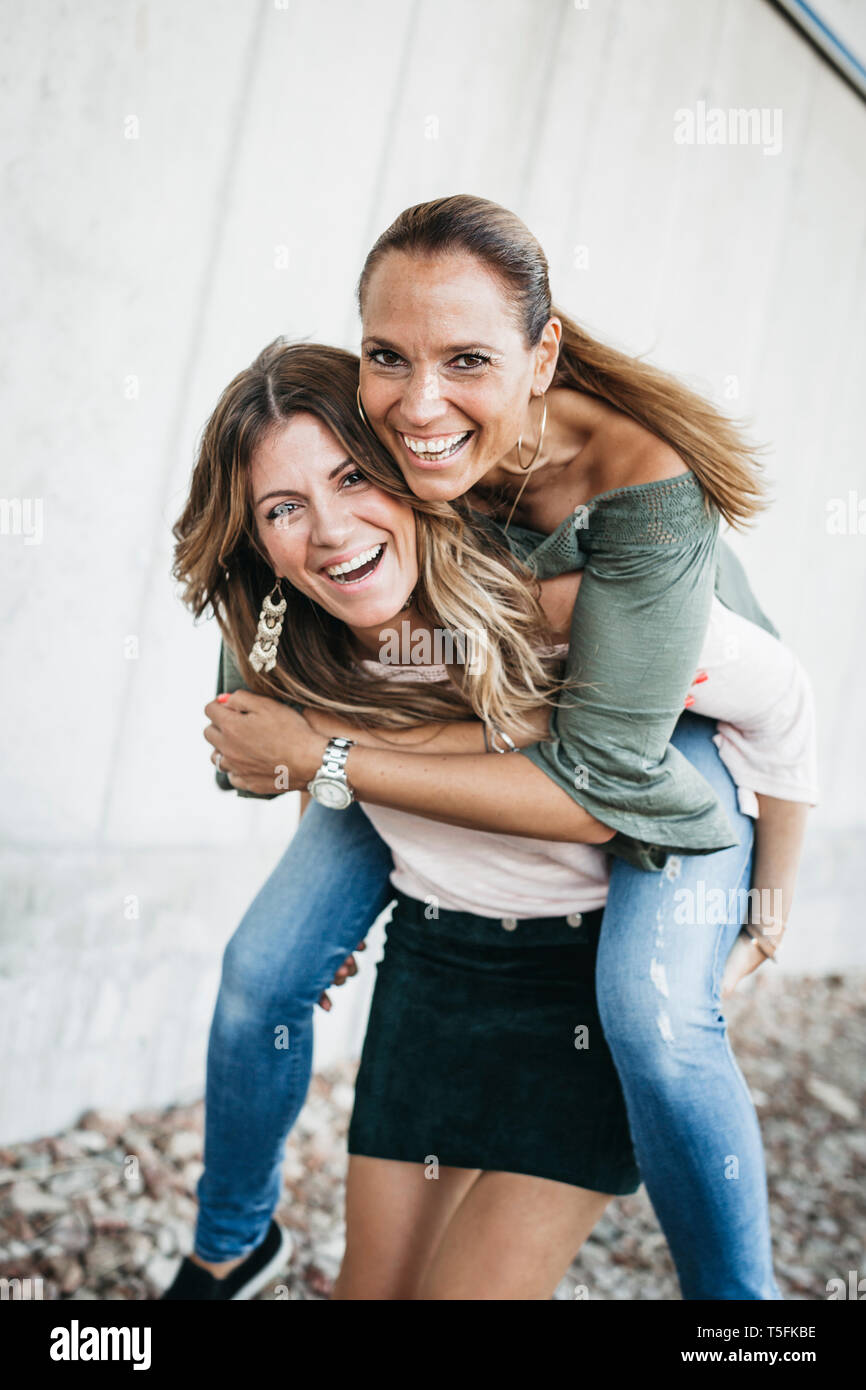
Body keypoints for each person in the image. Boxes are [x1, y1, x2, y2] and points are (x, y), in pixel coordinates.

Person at [166, 327, 816, 1299]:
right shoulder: (281, 628)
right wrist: (319, 830)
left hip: (581, 990)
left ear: (412, 473)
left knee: (654, 1026)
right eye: (283, 507)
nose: (332, 529)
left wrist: (767, 902)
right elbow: (296, 760)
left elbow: (770, 702)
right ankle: (230, 1247)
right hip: (441, 971)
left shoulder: (567, 600)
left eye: (352, 478)